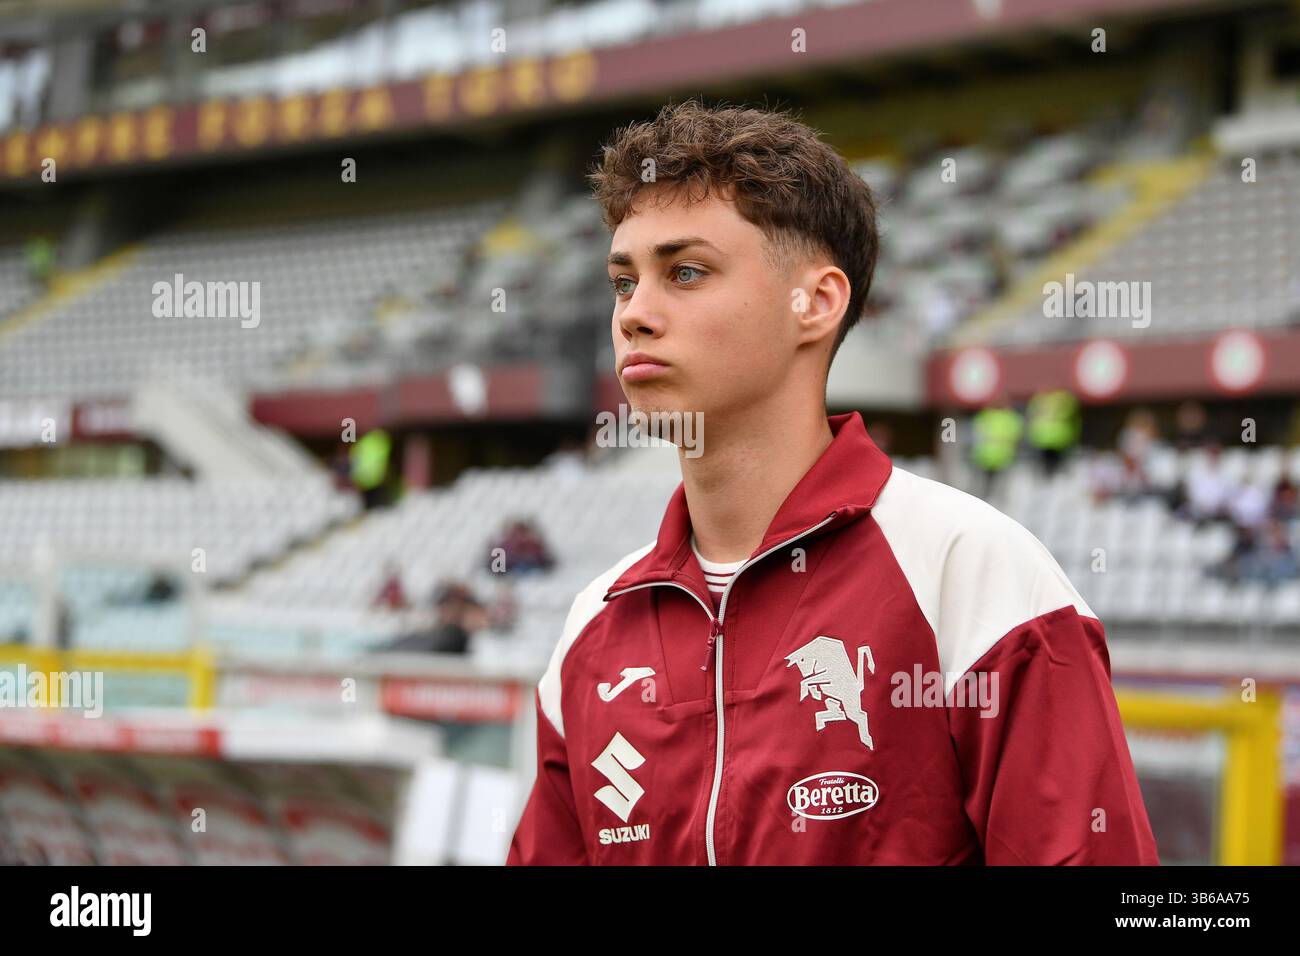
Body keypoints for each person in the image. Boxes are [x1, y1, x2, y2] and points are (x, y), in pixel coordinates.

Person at [507, 100, 1157, 866]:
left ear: (815, 304)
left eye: (685, 272)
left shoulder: (971, 573)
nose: (635, 315)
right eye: (624, 281)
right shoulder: (592, 628)